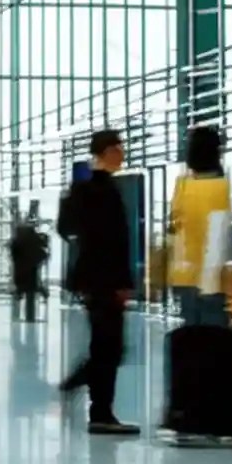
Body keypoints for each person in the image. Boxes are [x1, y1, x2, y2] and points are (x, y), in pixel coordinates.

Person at [58, 130, 139, 435]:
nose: (123, 153)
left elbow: (66, 228)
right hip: (105, 280)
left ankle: (94, 403)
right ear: (105, 151)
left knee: (106, 346)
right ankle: (99, 410)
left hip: (91, 279)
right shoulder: (104, 191)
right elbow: (113, 242)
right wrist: (121, 281)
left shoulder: (81, 190)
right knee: (110, 347)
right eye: (119, 147)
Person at [167, 125, 231, 327]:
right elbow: (220, 236)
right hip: (214, 277)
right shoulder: (223, 186)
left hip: (185, 275)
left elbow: (174, 226)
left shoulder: (182, 185)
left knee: (191, 335)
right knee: (214, 338)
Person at [9, 221, 48, 322]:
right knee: (31, 289)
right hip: (32, 268)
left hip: (21, 269)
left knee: (24, 287)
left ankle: (20, 298)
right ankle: (30, 316)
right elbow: (43, 248)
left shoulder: (17, 241)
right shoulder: (34, 239)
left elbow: (13, 254)